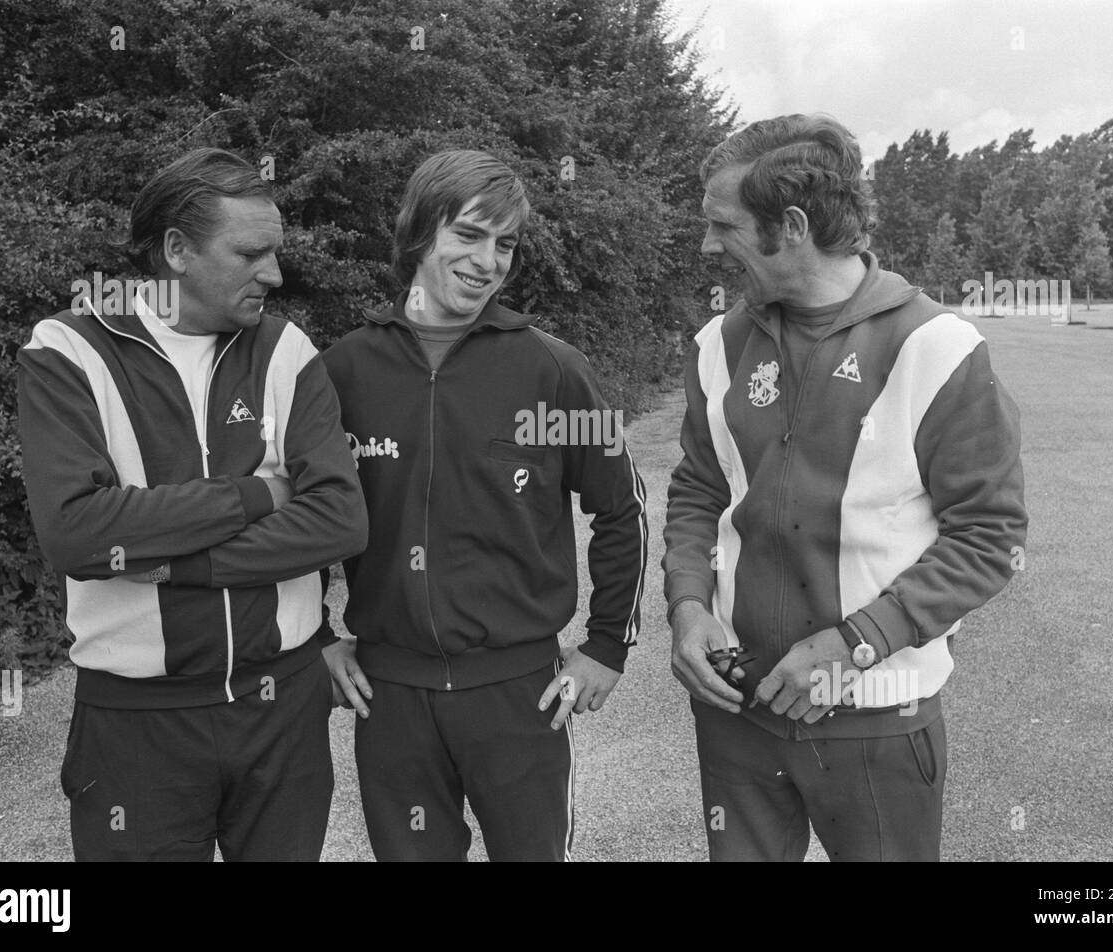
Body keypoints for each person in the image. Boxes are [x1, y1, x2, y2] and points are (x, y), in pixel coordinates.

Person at [663, 114, 1027, 862]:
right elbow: (700, 488)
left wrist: (854, 646)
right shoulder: (716, 345)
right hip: (737, 713)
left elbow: (991, 538)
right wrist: (688, 605)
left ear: (791, 226)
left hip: (877, 718)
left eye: (722, 225)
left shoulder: (938, 349)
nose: (707, 246)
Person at [17, 147, 367, 861]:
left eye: (276, 252)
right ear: (176, 250)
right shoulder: (67, 348)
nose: (273, 274)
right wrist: (258, 494)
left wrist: (174, 565)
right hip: (138, 723)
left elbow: (339, 519)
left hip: (284, 706)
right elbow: (76, 533)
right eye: (250, 253)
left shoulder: (286, 348)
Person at [321, 149, 648, 861]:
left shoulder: (550, 370)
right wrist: (317, 638)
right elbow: (302, 516)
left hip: (517, 693)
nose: (488, 260)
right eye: (469, 235)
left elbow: (622, 508)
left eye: (504, 244)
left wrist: (606, 646)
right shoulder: (344, 371)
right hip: (391, 695)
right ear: (418, 233)